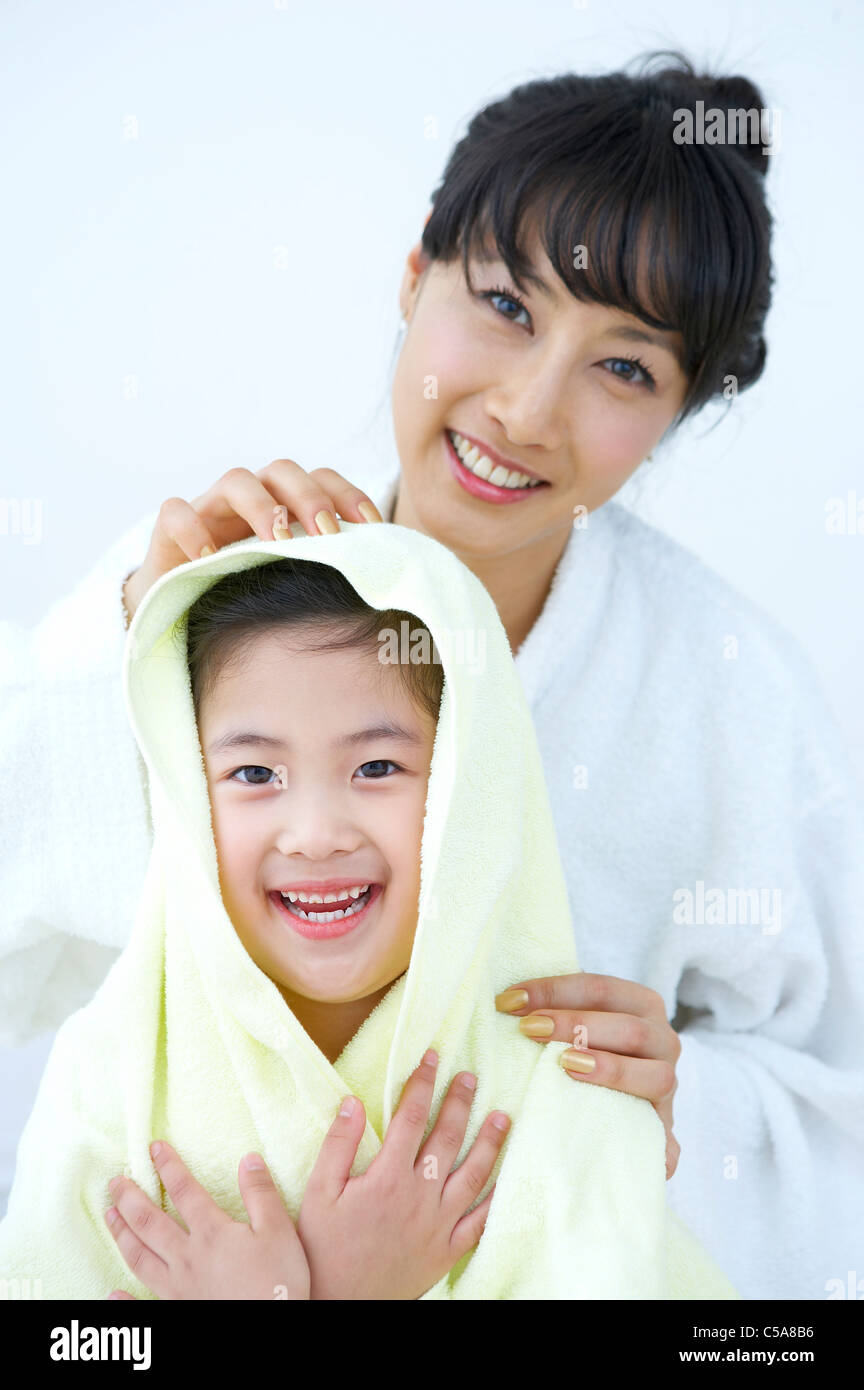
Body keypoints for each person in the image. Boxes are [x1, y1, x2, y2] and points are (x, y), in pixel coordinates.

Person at [1, 50, 862, 1300]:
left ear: (675, 416)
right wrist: (127, 657)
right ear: (415, 277)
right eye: (506, 306)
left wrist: (670, 1106)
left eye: (624, 368)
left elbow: (827, 1117)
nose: (523, 408)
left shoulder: (732, 693)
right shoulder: (209, 580)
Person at [0, 525, 738, 1299]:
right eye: (255, 771)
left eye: (377, 766)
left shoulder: (561, 1087)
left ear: (467, 786)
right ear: (187, 792)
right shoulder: (109, 1072)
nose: (316, 834)